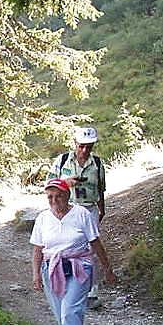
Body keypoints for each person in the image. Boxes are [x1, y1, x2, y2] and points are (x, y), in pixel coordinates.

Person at [30, 178, 117, 325]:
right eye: (50, 196)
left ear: (67, 195)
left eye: (58, 195)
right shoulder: (43, 218)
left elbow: (96, 243)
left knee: (70, 311)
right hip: (51, 270)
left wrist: (107, 269)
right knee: (62, 317)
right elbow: (37, 250)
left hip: (79, 267)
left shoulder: (81, 214)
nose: (54, 200)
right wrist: (35, 275)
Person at [49, 126, 107, 307]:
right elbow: (50, 184)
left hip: (89, 209)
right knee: (68, 247)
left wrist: (102, 208)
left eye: (89, 146)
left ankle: (91, 291)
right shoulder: (63, 161)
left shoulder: (97, 164)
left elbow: (101, 188)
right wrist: (66, 183)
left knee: (90, 247)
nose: (84, 150)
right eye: (81, 146)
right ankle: (66, 284)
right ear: (75, 144)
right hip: (68, 209)